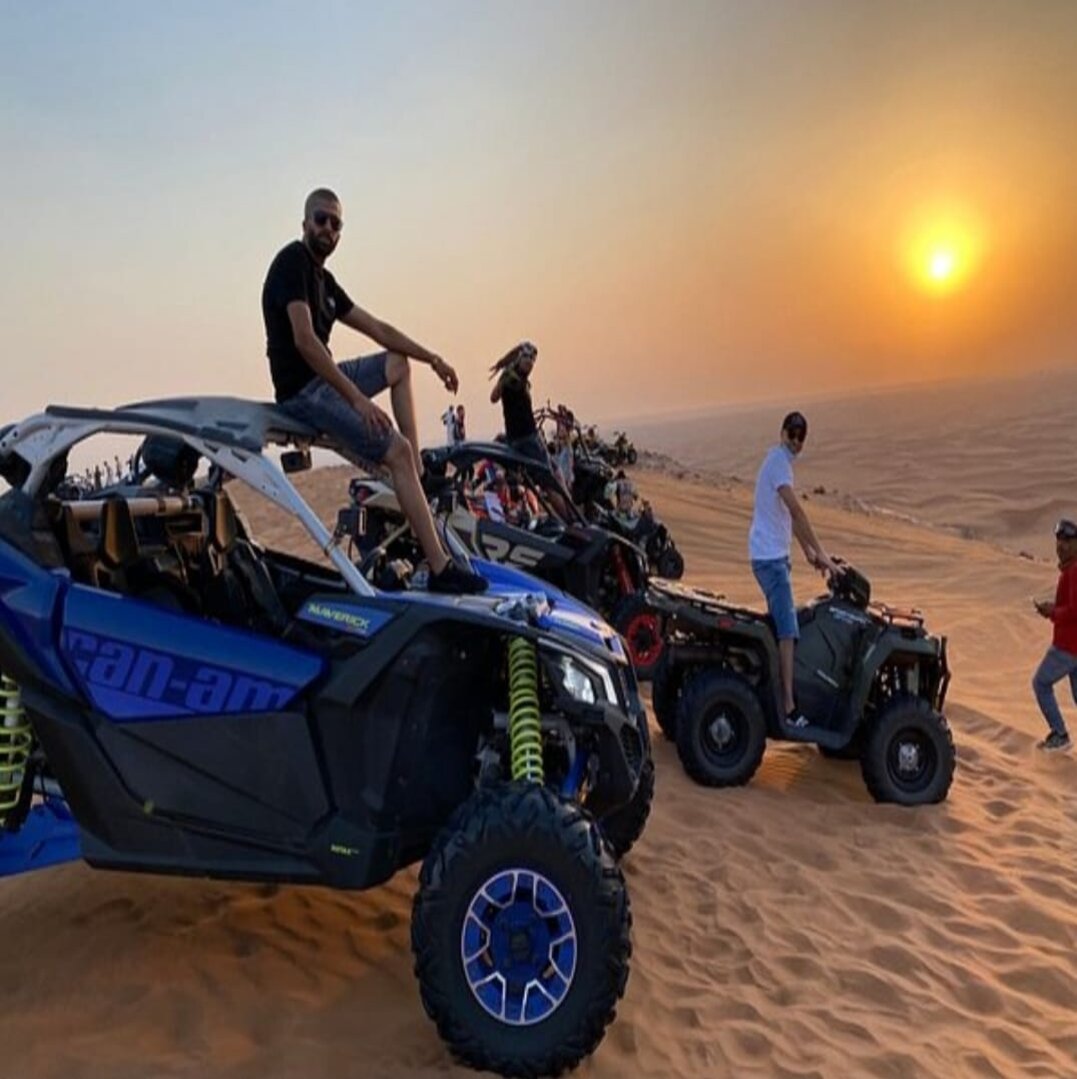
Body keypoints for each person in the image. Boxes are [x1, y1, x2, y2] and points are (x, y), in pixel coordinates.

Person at [262, 187, 486, 594]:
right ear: (304, 224)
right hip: (304, 393)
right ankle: (440, 568)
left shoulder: (324, 279)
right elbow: (305, 342)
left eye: (336, 223)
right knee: (394, 449)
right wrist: (357, 399)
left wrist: (431, 358)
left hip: (324, 381)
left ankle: (415, 473)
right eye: (321, 219)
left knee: (397, 362)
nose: (328, 228)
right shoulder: (291, 263)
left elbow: (380, 329)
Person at [748, 411, 839, 729]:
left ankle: (772, 690)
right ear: (783, 432)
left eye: (802, 436)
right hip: (770, 560)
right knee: (788, 632)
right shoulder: (778, 464)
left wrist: (810, 553)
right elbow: (798, 511)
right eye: (793, 434)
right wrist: (824, 554)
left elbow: (788, 518)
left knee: (781, 627)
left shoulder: (779, 463)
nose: (797, 441)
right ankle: (787, 708)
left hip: (772, 556)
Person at [1031, 517, 1077, 751]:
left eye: (1068, 540)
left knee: (1040, 683)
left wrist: (1052, 611)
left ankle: (1060, 735)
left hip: (1068, 647)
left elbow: (1074, 611)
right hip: (1072, 647)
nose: (1061, 545)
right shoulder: (1070, 570)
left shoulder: (1075, 571)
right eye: (1059, 540)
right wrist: (1051, 611)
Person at [489, 341, 549, 465]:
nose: (530, 363)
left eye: (532, 360)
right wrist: (502, 380)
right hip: (524, 437)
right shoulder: (510, 376)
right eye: (527, 359)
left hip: (520, 437)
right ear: (519, 359)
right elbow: (493, 398)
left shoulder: (522, 380)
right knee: (548, 471)